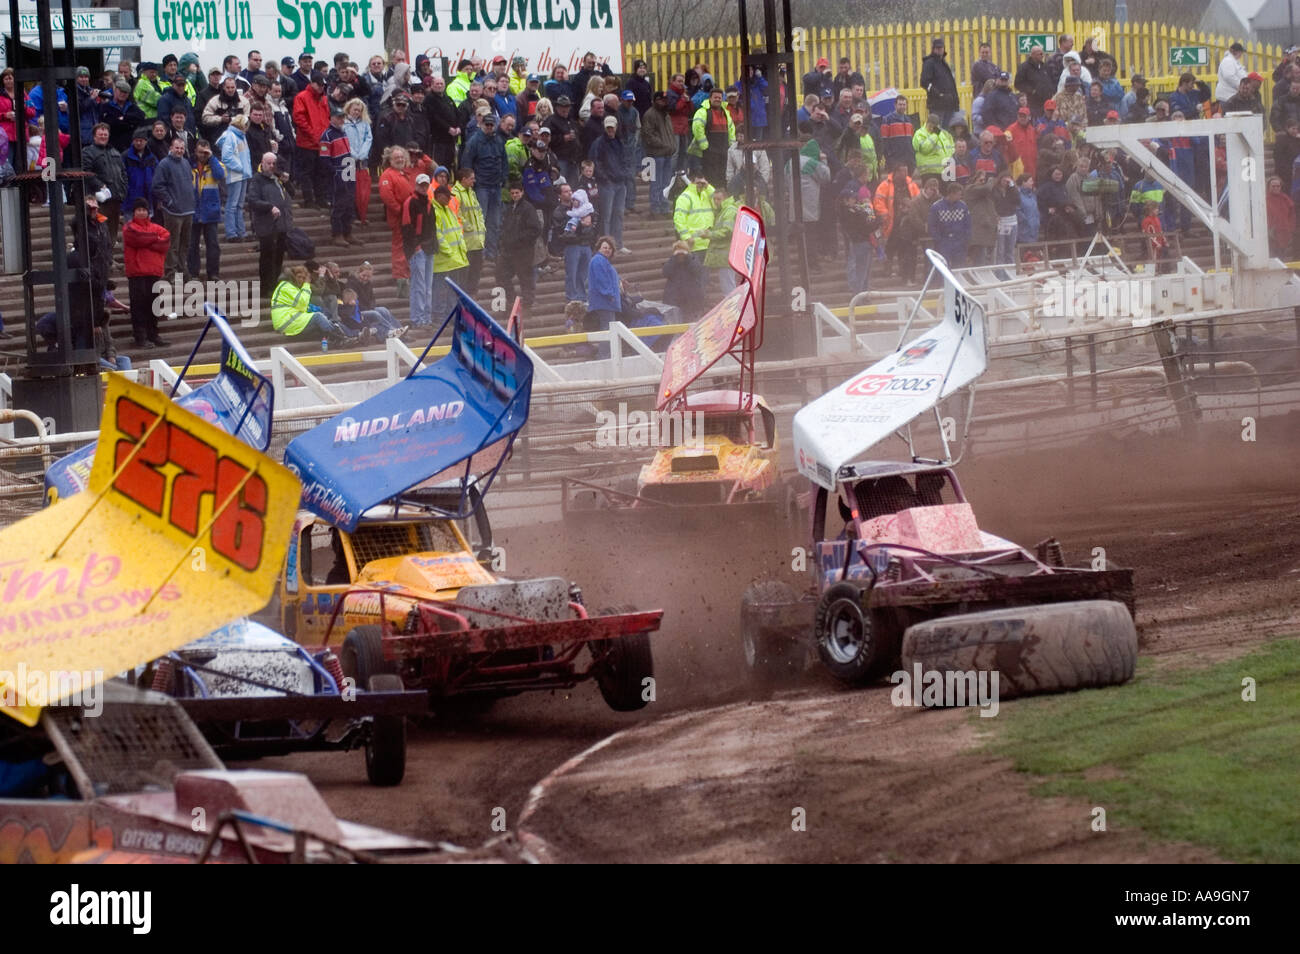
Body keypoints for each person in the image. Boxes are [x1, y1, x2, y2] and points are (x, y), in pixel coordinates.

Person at [122, 198, 170, 346]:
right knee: (138, 305)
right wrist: (154, 239)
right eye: (139, 210)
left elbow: (166, 240)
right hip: (137, 272)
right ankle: (140, 336)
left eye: (144, 210)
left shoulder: (157, 227)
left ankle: (153, 334)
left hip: (153, 271)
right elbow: (136, 238)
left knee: (154, 304)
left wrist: (147, 241)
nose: (141, 212)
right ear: (134, 212)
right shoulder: (129, 228)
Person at [247, 151, 293, 300]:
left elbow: (291, 193)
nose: (272, 166)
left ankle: (274, 285)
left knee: (279, 256)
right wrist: (269, 207)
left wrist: (287, 182)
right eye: (269, 163)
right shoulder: (257, 179)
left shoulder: (277, 178)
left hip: (281, 224)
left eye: (274, 163)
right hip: (266, 225)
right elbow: (253, 200)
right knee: (267, 257)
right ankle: (265, 287)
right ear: (262, 162)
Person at [462, 110, 507, 260]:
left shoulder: (499, 140)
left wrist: (503, 177)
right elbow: (466, 163)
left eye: (491, 125)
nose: (489, 127)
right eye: (486, 124)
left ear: (495, 125)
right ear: (481, 125)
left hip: (496, 185)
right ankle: (479, 252)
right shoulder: (474, 141)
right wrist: (470, 183)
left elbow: (504, 161)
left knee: (494, 221)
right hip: (481, 186)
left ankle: (492, 252)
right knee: (480, 220)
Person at [151, 135, 195, 279]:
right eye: (177, 148)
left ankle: (183, 271)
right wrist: (169, 201)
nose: (180, 150)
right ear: (171, 148)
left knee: (185, 245)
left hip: (188, 210)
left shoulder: (186, 163)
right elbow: (157, 186)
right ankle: (171, 273)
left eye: (182, 148)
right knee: (173, 245)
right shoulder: (164, 164)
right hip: (173, 212)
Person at [271, 264, 351, 343]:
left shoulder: (292, 286)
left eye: (303, 278)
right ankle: (342, 339)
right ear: (293, 276)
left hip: (290, 319)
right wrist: (306, 285)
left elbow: (302, 307)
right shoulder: (286, 286)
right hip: (285, 322)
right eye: (299, 277)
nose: (301, 280)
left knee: (325, 322)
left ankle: (348, 336)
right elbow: (303, 303)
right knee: (318, 316)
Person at [873, 163, 920, 283]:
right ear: (896, 172)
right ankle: (887, 269)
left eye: (906, 171)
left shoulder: (912, 185)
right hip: (891, 222)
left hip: (907, 223)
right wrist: (884, 214)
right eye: (903, 171)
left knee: (904, 249)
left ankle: (902, 271)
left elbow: (918, 200)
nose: (905, 174)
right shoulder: (885, 185)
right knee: (890, 248)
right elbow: (878, 201)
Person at [589, 114, 629, 251]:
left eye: (612, 127)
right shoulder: (598, 143)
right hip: (607, 184)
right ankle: (605, 245)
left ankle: (618, 244)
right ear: (605, 128)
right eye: (608, 128)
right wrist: (605, 178)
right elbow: (595, 162)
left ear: (616, 127)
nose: (610, 130)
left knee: (618, 214)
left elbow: (625, 159)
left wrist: (624, 174)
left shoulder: (619, 142)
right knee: (606, 216)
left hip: (620, 183)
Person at [379, 145, 415, 293]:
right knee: (399, 248)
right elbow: (387, 197)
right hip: (399, 218)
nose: (400, 159)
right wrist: (400, 211)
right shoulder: (387, 175)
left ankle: (407, 276)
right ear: (390, 159)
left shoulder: (404, 173)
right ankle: (401, 279)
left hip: (410, 218)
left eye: (402, 157)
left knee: (408, 248)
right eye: (396, 157)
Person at [430, 184, 469, 321]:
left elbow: (457, 232)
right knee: (440, 289)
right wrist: (449, 251)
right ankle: (439, 315)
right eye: (447, 197)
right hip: (444, 260)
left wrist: (461, 249)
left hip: (454, 259)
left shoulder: (447, 210)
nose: (449, 200)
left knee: (452, 290)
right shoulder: (435, 211)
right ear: (439, 196)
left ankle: (451, 315)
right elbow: (438, 234)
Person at [188, 138, 225, 280]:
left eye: (205, 152)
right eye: (200, 152)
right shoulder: (189, 166)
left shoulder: (216, 164)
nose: (202, 155)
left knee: (213, 245)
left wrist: (212, 158)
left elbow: (220, 175)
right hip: (193, 210)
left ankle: (213, 273)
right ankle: (193, 273)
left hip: (211, 211)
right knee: (192, 246)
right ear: (195, 152)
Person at [293, 72, 331, 207]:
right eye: (319, 85)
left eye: (323, 85)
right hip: (307, 143)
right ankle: (309, 200)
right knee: (307, 173)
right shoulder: (302, 97)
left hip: (321, 143)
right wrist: (314, 135)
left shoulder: (323, 99)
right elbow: (299, 118)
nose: (321, 88)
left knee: (321, 172)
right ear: (312, 83)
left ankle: (320, 199)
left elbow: (326, 118)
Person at [320, 108, 357, 246]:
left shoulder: (343, 132)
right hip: (338, 173)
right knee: (339, 204)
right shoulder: (327, 135)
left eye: (343, 117)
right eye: (339, 117)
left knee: (349, 203)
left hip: (349, 170)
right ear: (332, 118)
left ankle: (348, 232)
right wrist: (334, 172)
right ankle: (337, 234)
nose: (342, 120)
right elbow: (324, 159)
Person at [586, 235, 624, 355]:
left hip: (607, 302)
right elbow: (601, 280)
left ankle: (605, 354)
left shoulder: (603, 261)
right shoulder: (598, 260)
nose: (607, 250)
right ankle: (604, 356)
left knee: (607, 329)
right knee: (607, 330)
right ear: (599, 248)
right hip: (605, 302)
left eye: (609, 248)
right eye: (604, 247)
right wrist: (610, 295)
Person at [216, 114, 251, 241]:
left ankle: (241, 232)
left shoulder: (241, 136)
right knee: (232, 204)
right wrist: (241, 167)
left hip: (242, 174)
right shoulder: (230, 135)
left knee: (239, 205)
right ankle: (231, 233)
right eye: (246, 124)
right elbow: (226, 157)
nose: (247, 127)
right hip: (235, 175)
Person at [452, 167, 486, 295]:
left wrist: (482, 228)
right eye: (472, 178)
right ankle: (465, 299)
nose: (474, 181)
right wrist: (469, 227)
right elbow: (457, 215)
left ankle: (473, 298)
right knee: (465, 276)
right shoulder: (455, 193)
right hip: (466, 244)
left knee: (475, 274)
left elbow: (479, 212)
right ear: (464, 179)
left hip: (477, 242)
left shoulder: (471, 192)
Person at [560, 188, 597, 301]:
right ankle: (572, 297)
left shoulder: (591, 211)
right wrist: (580, 228)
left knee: (584, 274)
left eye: (576, 200)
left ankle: (583, 296)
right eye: (573, 200)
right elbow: (564, 231)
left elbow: (594, 228)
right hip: (573, 246)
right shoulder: (567, 212)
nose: (574, 202)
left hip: (586, 245)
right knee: (572, 273)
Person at [661, 239, 709, 319]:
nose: (680, 255)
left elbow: (697, 270)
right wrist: (673, 258)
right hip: (675, 298)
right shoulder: (672, 262)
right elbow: (665, 272)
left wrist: (688, 257)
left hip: (692, 298)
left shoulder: (693, 259)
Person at [928, 181, 971, 267]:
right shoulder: (936, 207)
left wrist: (965, 239)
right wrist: (938, 240)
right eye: (958, 194)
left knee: (959, 267)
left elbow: (968, 224)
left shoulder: (963, 206)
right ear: (951, 194)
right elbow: (932, 225)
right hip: (943, 241)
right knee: (943, 267)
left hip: (959, 242)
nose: (960, 197)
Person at [674, 171, 715, 258]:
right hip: (694, 245)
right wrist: (687, 237)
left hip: (708, 243)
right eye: (698, 183)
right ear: (691, 182)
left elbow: (721, 202)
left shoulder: (706, 194)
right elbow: (679, 220)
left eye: (702, 183)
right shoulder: (685, 197)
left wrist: (708, 186)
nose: (700, 185)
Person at [920, 38, 958, 127]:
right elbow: (924, 82)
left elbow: (951, 83)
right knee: (937, 130)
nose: (939, 50)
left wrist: (955, 99)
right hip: (937, 105)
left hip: (949, 104)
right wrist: (938, 94)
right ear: (933, 49)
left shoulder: (943, 63)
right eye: (937, 48)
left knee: (946, 133)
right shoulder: (929, 63)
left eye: (941, 48)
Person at [912, 113, 953, 180]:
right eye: (930, 126)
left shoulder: (942, 133)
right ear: (927, 123)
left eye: (934, 127)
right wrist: (935, 134)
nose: (931, 128)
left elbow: (949, 148)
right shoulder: (919, 133)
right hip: (929, 171)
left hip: (944, 170)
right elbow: (924, 149)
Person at [1216, 41, 1249, 107]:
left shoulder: (1233, 61)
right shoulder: (1228, 61)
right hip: (1227, 97)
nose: (1241, 54)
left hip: (1231, 96)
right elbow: (1229, 77)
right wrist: (1241, 87)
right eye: (1240, 52)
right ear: (1234, 51)